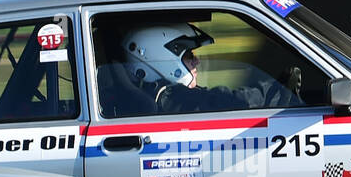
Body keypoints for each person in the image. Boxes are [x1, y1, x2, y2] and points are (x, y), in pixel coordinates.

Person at [121, 22, 303, 113]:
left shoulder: (152, 93)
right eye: (189, 55)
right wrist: (275, 91)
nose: (196, 62)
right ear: (161, 58)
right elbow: (225, 100)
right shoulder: (168, 99)